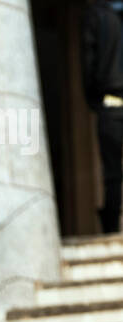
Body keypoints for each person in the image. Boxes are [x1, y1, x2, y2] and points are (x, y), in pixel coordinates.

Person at [82, 0, 123, 232]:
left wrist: (93, 101)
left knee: (112, 174)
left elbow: (88, 63)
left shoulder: (95, 16)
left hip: (110, 104)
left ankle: (111, 228)